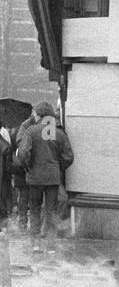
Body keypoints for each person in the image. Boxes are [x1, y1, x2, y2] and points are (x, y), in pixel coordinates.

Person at [13, 101, 73, 244]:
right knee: (51, 210)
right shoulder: (59, 133)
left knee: (34, 209)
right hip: (52, 178)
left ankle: (35, 244)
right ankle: (51, 245)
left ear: (38, 115)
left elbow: (22, 153)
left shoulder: (30, 131)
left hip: (35, 178)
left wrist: (28, 166)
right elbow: (68, 157)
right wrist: (57, 168)